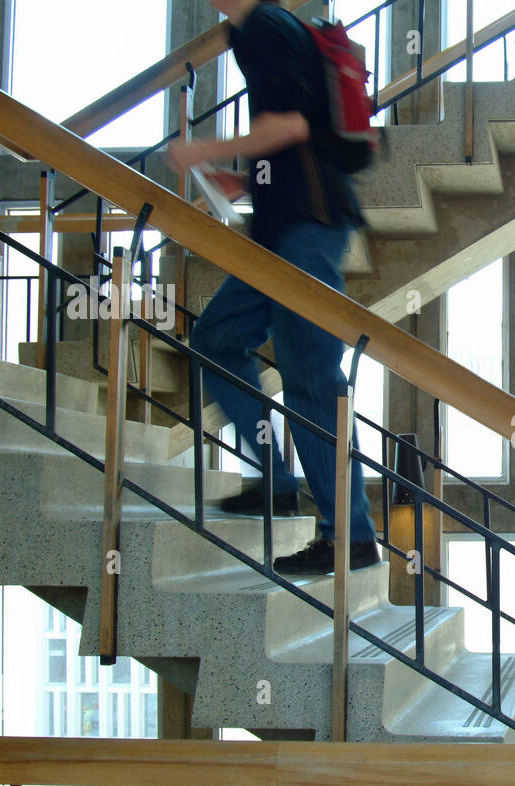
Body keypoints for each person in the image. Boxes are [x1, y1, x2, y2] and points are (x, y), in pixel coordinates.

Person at [167, 0, 379, 575]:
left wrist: (200, 149)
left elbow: (289, 125)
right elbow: (294, 134)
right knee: (217, 338)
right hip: (285, 225)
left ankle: (351, 538)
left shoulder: (262, 27)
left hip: (306, 229)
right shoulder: (259, 30)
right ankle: (278, 482)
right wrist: (245, 176)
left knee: (310, 377)